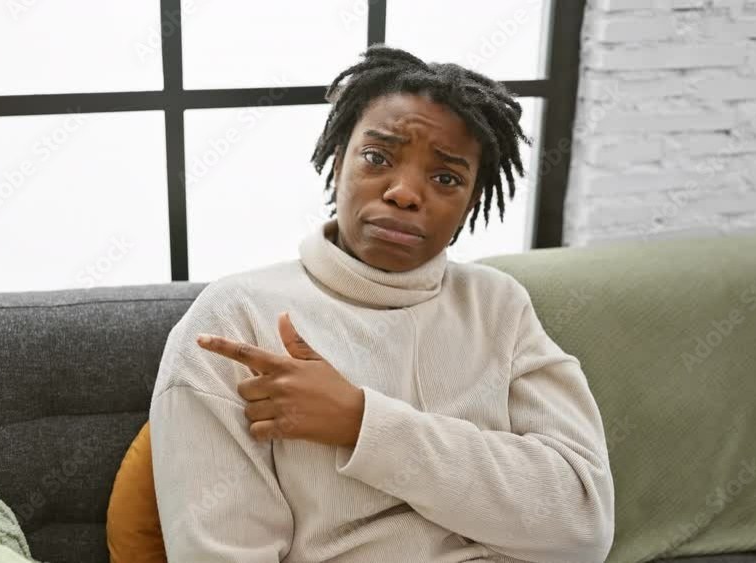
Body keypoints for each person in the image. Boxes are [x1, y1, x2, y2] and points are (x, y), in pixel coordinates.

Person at [149, 43, 615, 563]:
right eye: (377, 157)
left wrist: (361, 422)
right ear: (337, 160)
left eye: (446, 178)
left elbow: (582, 521)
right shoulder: (234, 319)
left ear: (471, 203)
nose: (404, 192)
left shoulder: (498, 304)